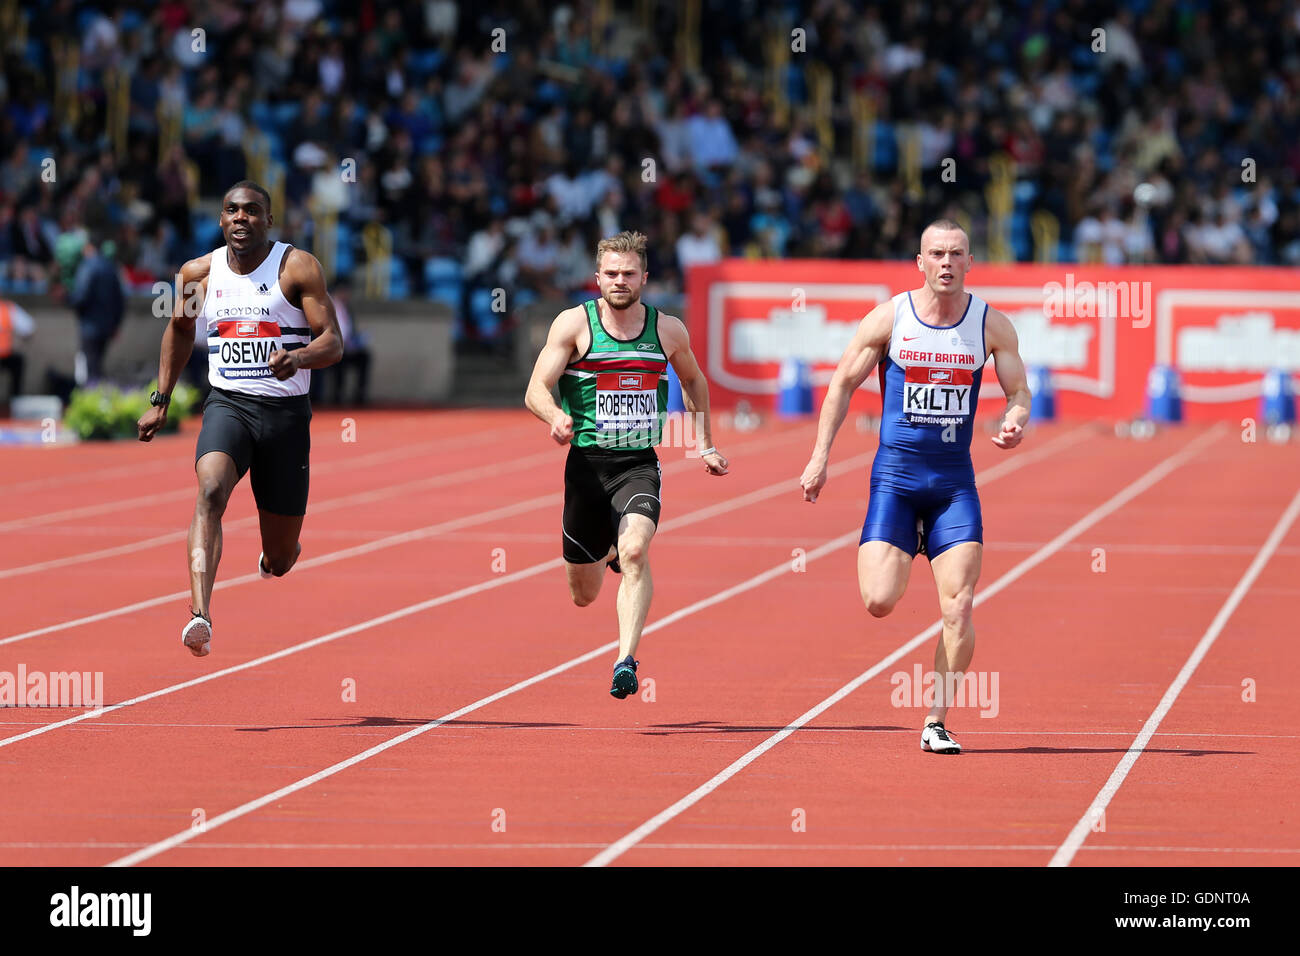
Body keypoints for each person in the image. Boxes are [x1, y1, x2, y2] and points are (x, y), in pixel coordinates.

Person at [799, 219, 1031, 754]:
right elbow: (841, 384)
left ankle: (936, 719)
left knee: (960, 605)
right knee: (880, 601)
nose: (947, 263)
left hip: (952, 484)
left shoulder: (992, 327)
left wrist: (1015, 419)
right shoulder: (890, 319)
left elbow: (1019, 389)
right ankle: (909, 543)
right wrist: (820, 457)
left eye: (956, 254)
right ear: (920, 262)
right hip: (896, 480)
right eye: (937, 254)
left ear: (971, 263)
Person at [137, 181, 343, 658]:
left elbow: (333, 340)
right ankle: (199, 614)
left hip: (285, 417)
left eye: (252, 211)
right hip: (228, 405)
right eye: (231, 210)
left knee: (282, 556)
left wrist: (301, 357)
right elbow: (179, 330)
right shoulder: (196, 274)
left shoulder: (297, 267)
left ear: (268, 220)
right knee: (209, 490)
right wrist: (160, 397)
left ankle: (275, 558)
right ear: (221, 219)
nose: (241, 218)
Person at [524, 230, 729, 698]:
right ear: (597, 277)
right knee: (583, 594)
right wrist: (555, 415)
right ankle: (607, 552)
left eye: (629, 274)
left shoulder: (667, 329)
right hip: (585, 470)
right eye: (612, 274)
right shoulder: (573, 325)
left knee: (637, 549)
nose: (620, 281)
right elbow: (536, 387)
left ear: (645, 278)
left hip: (637, 464)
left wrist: (705, 443)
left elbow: (695, 381)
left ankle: (625, 660)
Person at [70, 239, 125, 384]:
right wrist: (116, 324)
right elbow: (120, 300)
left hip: (90, 326)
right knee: (97, 365)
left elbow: (81, 296)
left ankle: (93, 400)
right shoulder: (110, 267)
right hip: (107, 326)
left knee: (90, 367)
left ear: (89, 247)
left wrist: (67, 300)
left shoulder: (87, 267)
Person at [0, 297, 36, 405]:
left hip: (5, 355)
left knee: (18, 361)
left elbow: (29, 328)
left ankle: (15, 401)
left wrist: (19, 343)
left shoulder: (8, 308)